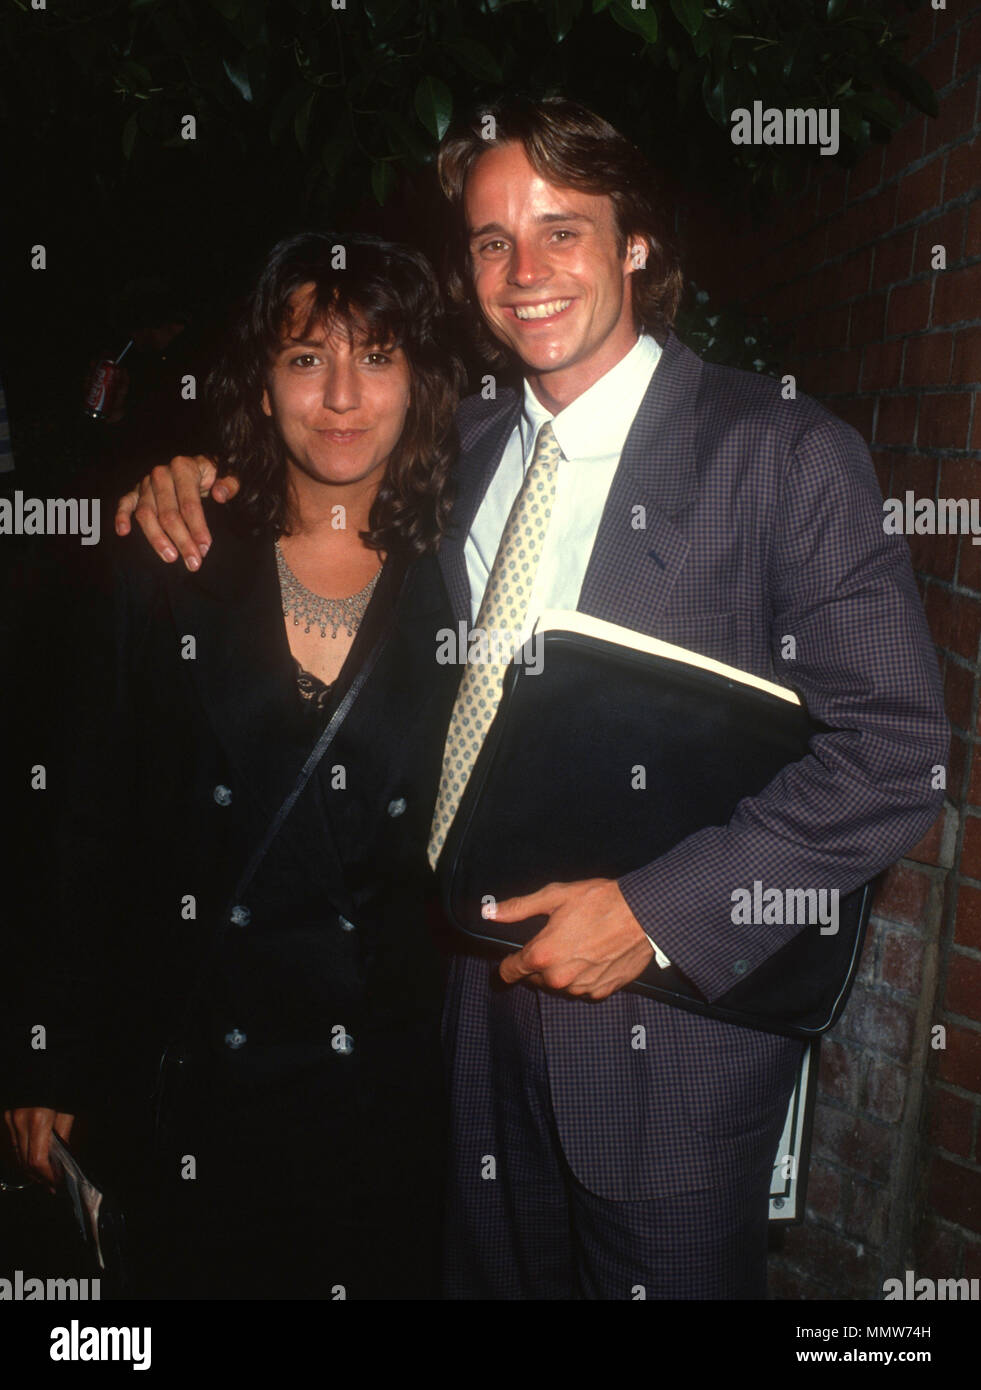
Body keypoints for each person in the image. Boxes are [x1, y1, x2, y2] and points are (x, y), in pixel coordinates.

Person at [112, 97, 949, 1300]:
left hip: (668, 1052)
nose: (527, 270)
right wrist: (186, 480)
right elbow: (313, 461)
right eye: (494, 239)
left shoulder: (779, 452)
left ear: (636, 246)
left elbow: (895, 749)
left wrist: (657, 912)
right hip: (466, 1027)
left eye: (565, 229)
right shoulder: (459, 444)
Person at [4, 230, 463, 1299]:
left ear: (419, 383)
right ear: (260, 385)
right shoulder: (170, 556)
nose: (342, 395)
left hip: (384, 1097)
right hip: (190, 1076)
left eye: (378, 356)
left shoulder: (468, 573)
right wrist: (41, 1052)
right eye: (307, 359)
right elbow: (78, 825)